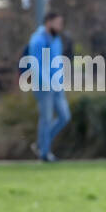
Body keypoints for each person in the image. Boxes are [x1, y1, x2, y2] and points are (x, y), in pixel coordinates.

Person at [26, 12, 71, 162]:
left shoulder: (56, 40)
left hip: (57, 84)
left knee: (64, 116)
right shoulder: (38, 40)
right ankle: (44, 154)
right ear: (48, 22)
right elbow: (35, 64)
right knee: (46, 118)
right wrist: (45, 83)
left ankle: (40, 144)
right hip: (43, 85)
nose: (60, 26)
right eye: (58, 23)